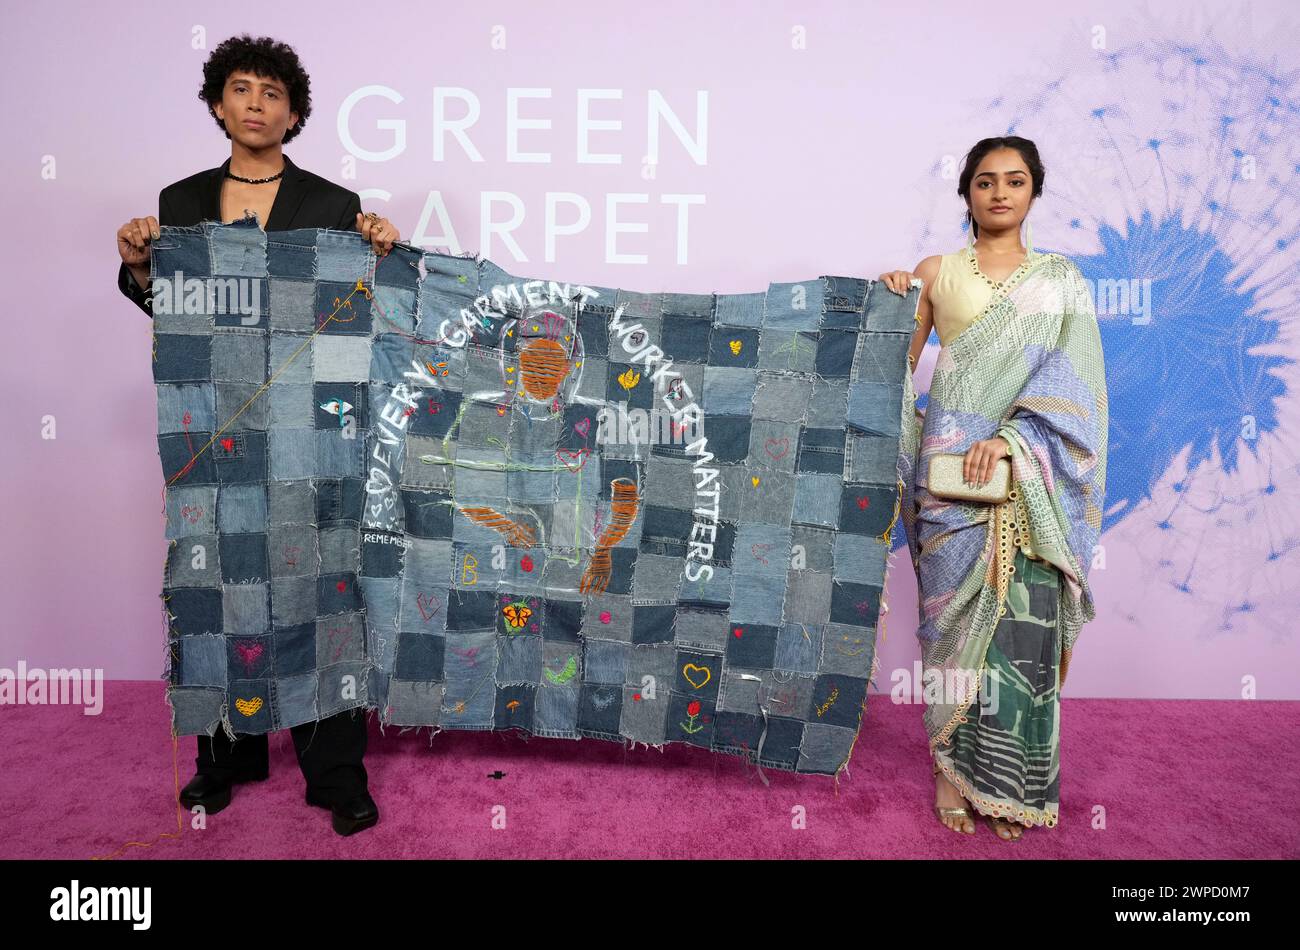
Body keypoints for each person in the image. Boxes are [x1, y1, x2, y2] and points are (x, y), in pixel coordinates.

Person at [115, 34, 401, 836]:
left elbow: (359, 316)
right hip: (212, 424)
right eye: (240, 88)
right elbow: (170, 313)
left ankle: (335, 772)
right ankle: (225, 760)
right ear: (217, 104)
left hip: (312, 427)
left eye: (272, 93)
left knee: (321, 586)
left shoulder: (334, 206)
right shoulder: (177, 204)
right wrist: (142, 268)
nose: (255, 102)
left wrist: (382, 251)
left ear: (294, 114)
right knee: (217, 584)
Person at [878, 136, 1108, 840]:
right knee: (949, 626)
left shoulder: (1061, 280)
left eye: (1014, 181)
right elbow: (891, 373)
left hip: (1028, 475)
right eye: (985, 181)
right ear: (967, 193)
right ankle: (951, 772)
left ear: (1033, 190)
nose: (1000, 192)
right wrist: (884, 310)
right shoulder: (936, 271)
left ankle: (1004, 782)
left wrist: (1011, 440)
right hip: (949, 479)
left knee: (1021, 631)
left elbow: (1079, 391)